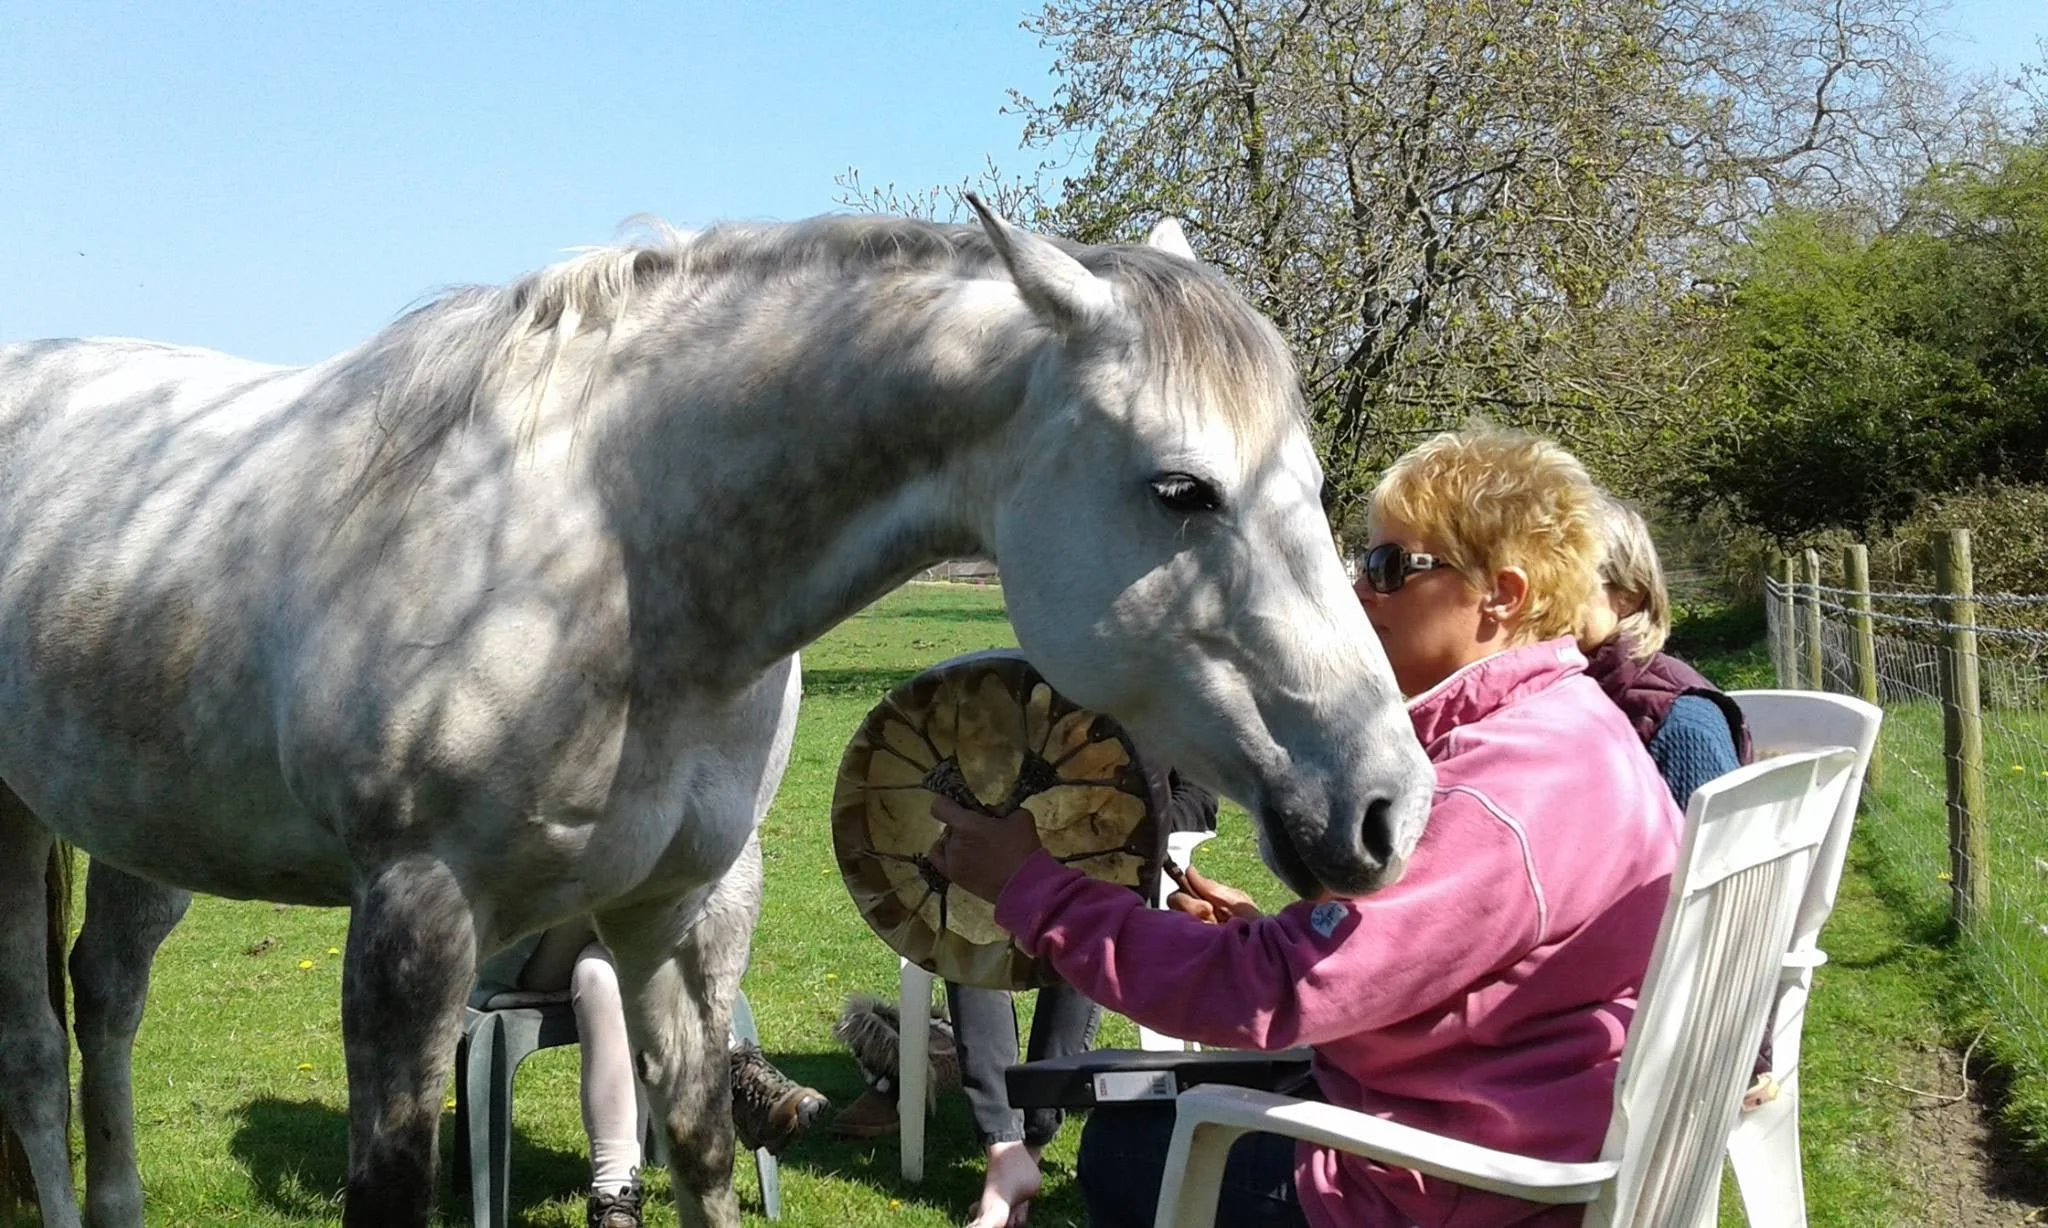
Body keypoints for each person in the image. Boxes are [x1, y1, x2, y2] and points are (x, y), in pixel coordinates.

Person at [928, 428, 1686, 1227]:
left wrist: (1033, 891)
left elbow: (1266, 994)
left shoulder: (1503, 795)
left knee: (1124, 1148)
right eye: (1362, 564)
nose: (1359, 593)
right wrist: (1281, 929)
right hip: (1510, 1128)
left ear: (1501, 594)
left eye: (1392, 567)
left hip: (1450, 1187)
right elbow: (1446, 966)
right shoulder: (1570, 730)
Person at [827, 762, 1218, 1228]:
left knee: (1088, 948)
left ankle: (1031, 1141)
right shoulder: (1031, 690)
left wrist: (1114, 826)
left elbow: (1199, 796)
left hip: (1107, 864)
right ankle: (1003, 1146)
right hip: (1005, 859)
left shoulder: (1169, 700)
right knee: (962, 941)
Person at [472, 916, 827, 1228]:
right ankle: (731, 1068)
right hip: (525, 952)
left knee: (602, 971)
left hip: (614, 949)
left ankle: (614, 1200)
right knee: (631, 896)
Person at [1576, 493, 1751, 807]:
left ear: (1629, 595)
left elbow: (1710, 855)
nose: (1542, 601)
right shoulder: (1556, 695)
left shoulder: (1681, 726)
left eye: (1568, 583)